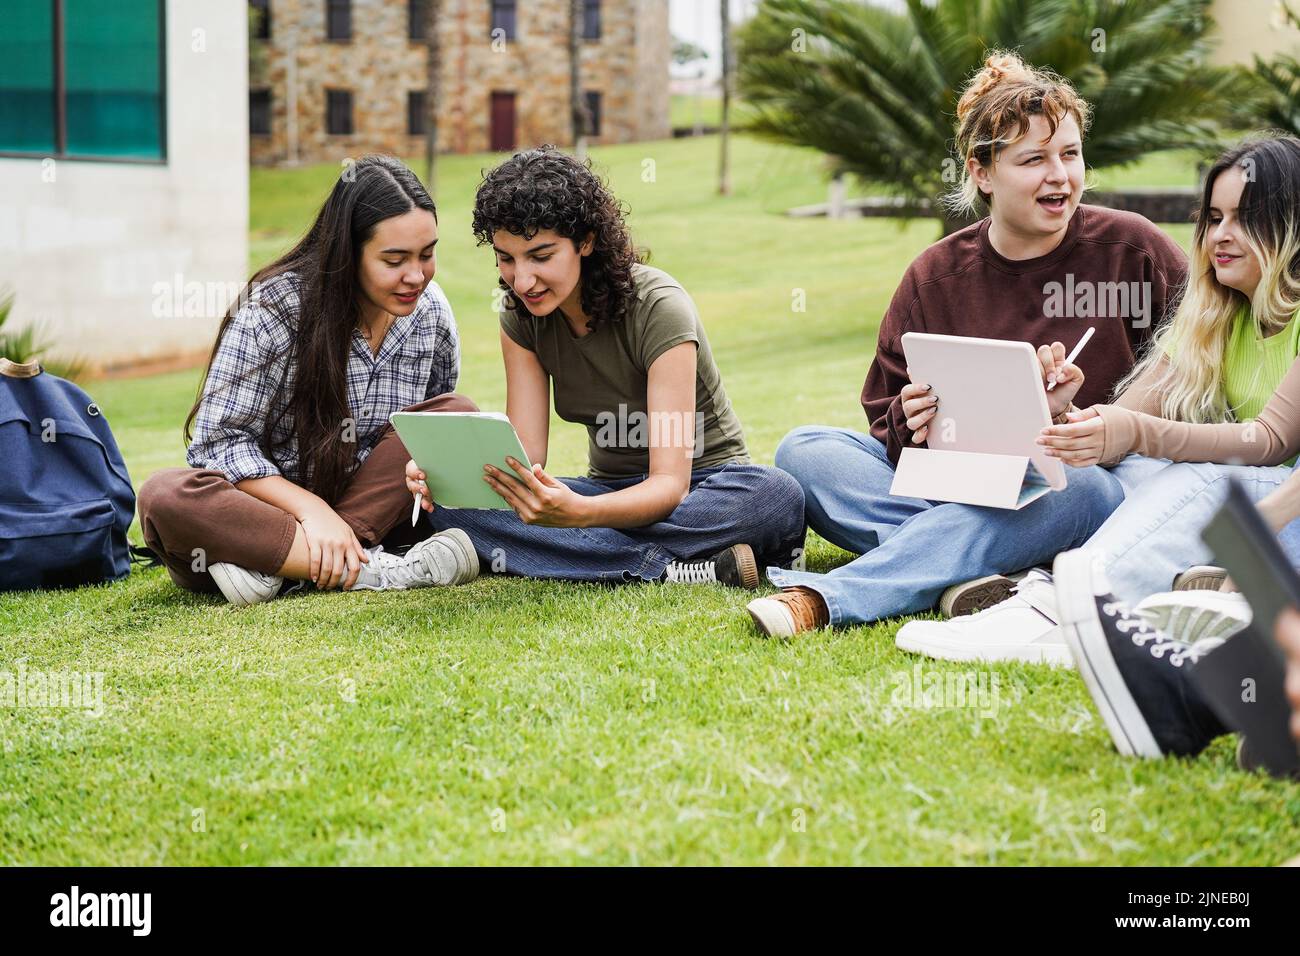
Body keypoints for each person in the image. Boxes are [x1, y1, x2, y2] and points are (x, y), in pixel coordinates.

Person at [745, 52, 1187, 638]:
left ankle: (830, 598)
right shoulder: (934, 276)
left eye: (1071, 154)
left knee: (1070, 488)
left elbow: (1199, 367)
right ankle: (988, 563)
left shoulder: (1133, 249)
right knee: (807, 449)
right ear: (982, 172)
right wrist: (911, 419)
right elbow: (888, 428)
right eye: (1034, 159)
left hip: (1086, 484)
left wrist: (1073, 424)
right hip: (960, 481)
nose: (1060, 175)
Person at [900, 135, 1300, 664]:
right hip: (1256, 515)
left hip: (1284, 507)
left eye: (1244, 218)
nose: (1219, 237)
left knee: (1196, 475)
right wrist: (1071, 420)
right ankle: (1119, 589)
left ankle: (1070, 615)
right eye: (1213, 218)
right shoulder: (1219, 318)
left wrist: (1133, 433)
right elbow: (1130, 423)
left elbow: (1270, 441)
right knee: (1130, 474)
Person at [404, 147, 806, 586]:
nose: (522, 281)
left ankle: (593, 556)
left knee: (775, 497)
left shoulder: (658, 307)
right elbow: (524, 461)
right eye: (506, 258)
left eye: (541, 256)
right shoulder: (518, 316)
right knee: (450, 511)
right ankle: (675, 569)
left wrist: (579, 515)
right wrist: (447, 479)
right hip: (607, 492)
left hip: (702, 487)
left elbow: (670, 485)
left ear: (586, 241)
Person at [137, 156, 480, 606]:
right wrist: (311, 512)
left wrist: (427, 475)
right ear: (347, 252)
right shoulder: (273, 310)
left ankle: (285, 568)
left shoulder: (431, 313)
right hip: (271, 513)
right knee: (164, 496)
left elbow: (426, 439)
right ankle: (370, 569)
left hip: (372, 515)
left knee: (456, 414)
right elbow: (218, 445)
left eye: (427, 254)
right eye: (394, 260)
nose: (415, 276)